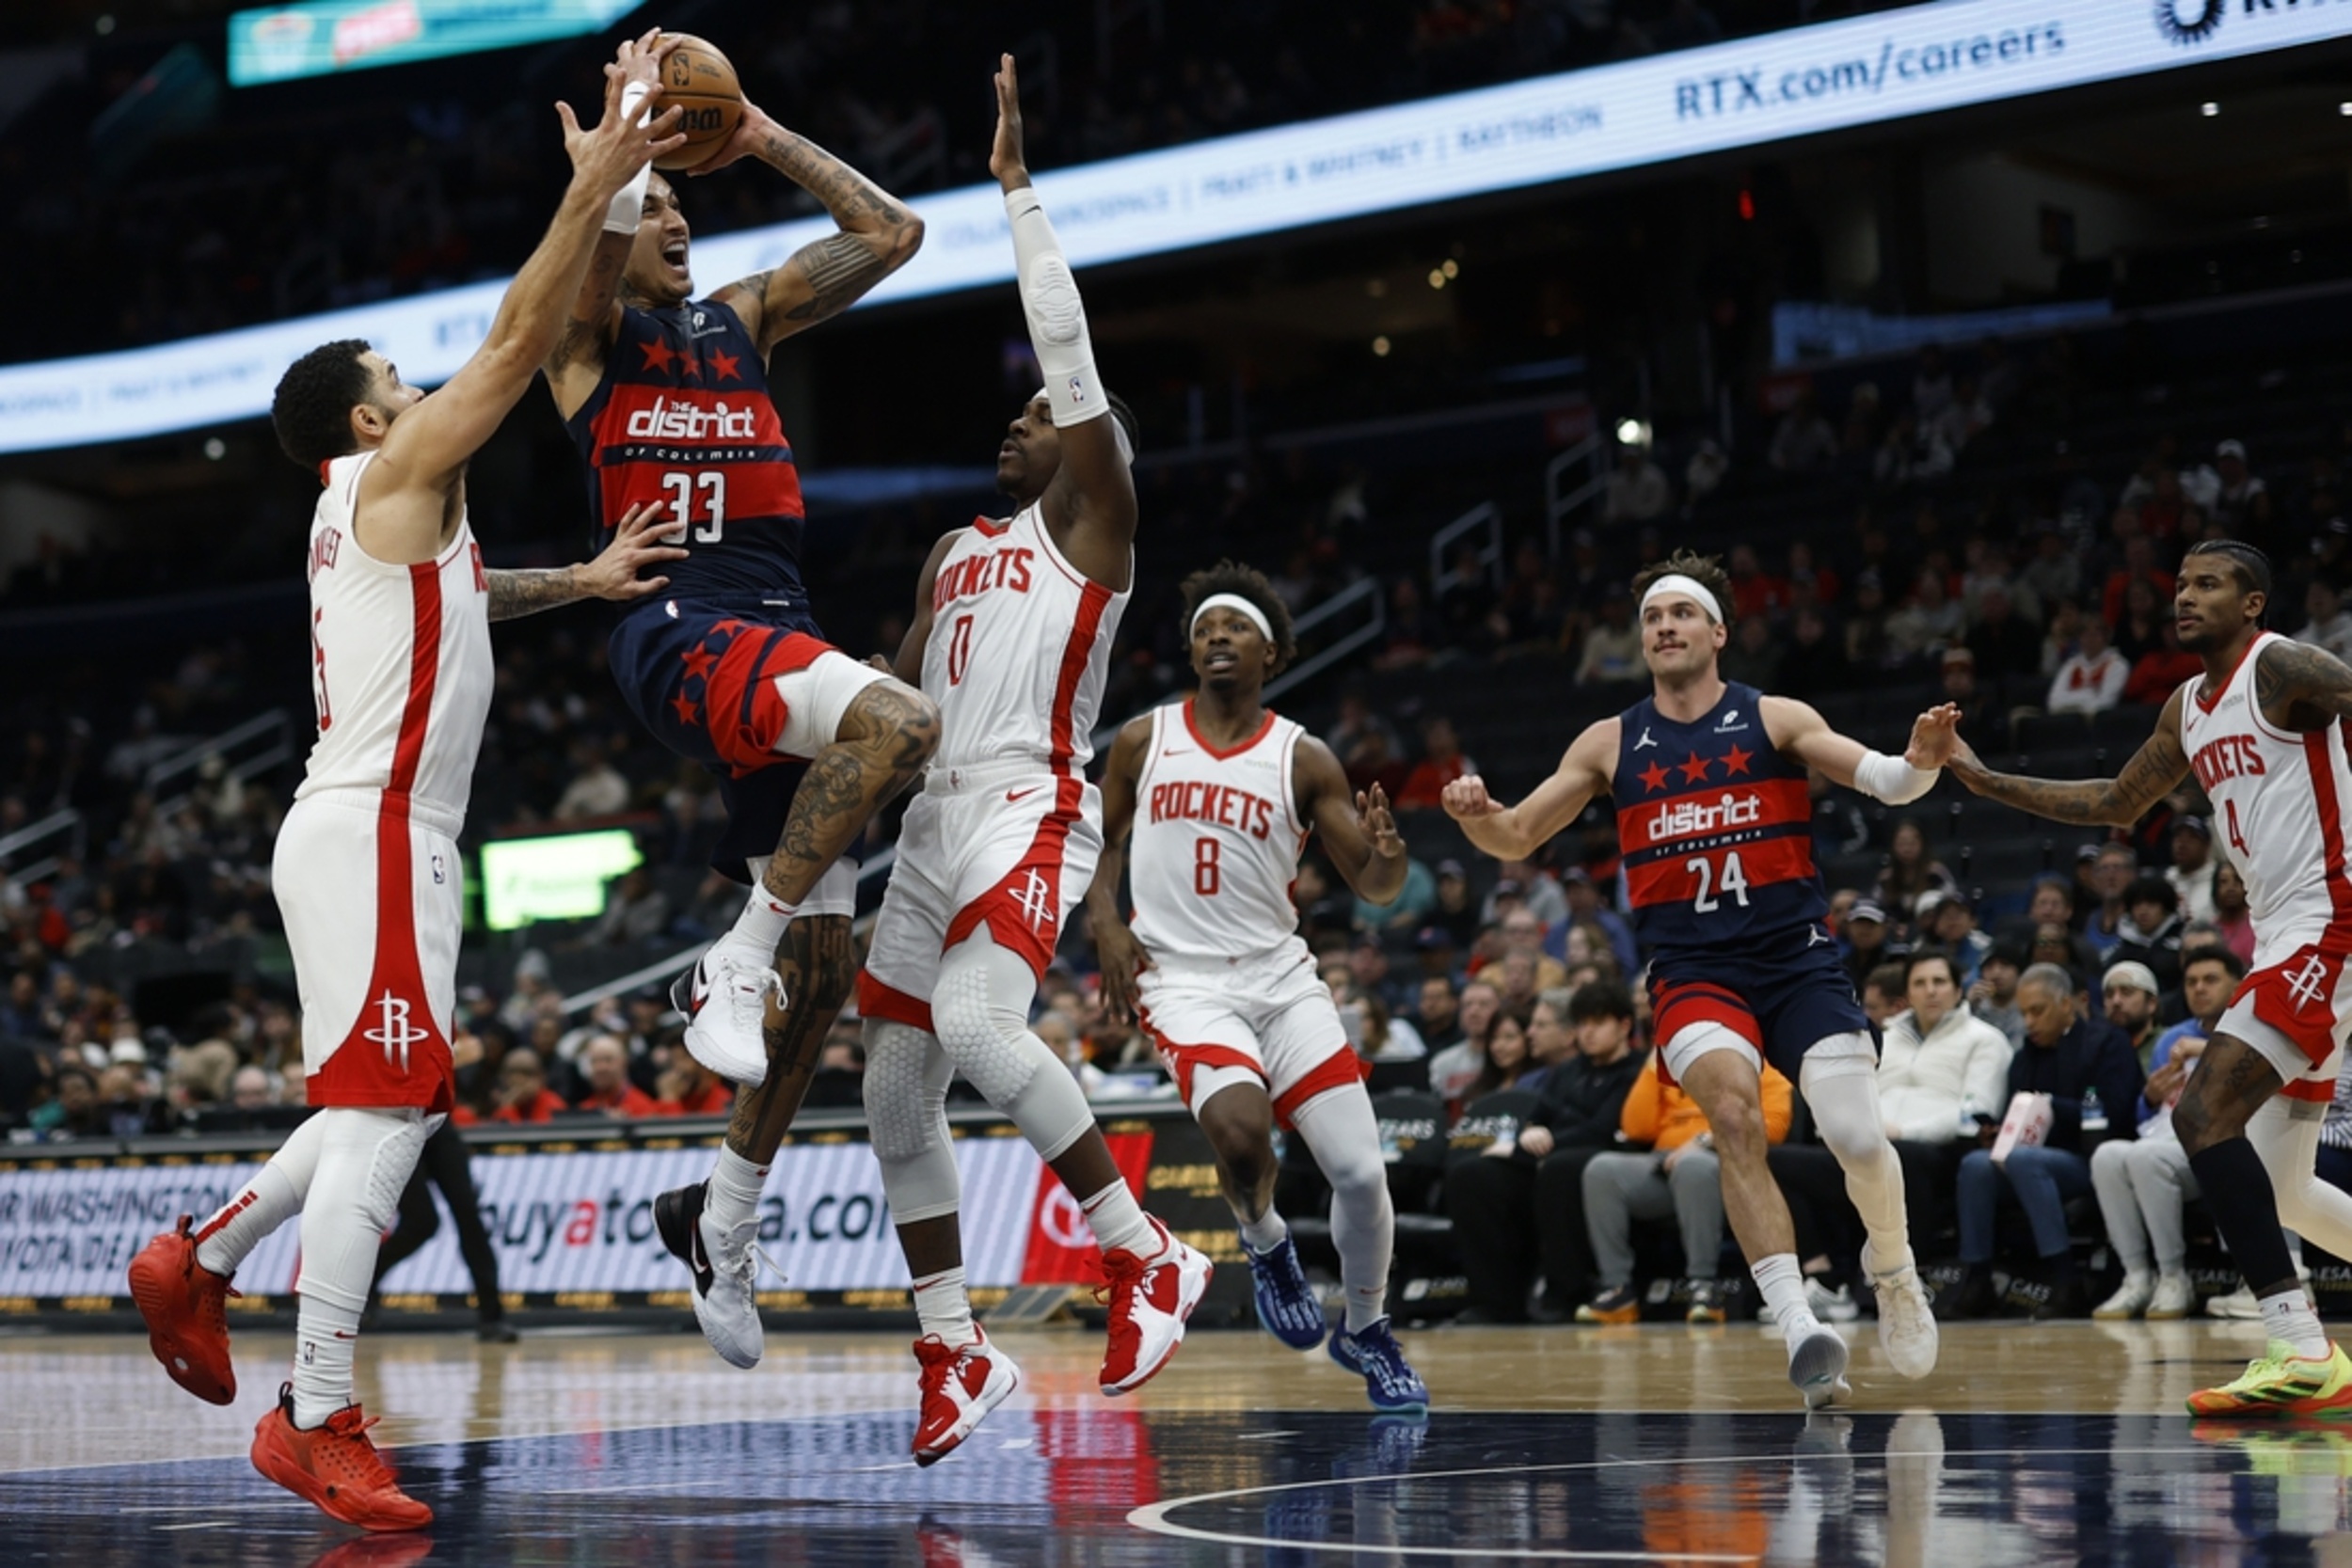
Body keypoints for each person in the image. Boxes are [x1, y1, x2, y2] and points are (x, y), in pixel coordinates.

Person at [124, 43, 687, 1531]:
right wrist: (596, 182)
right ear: (370, 425)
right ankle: (314, 1410)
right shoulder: (389, 476)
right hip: (377, 827)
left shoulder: (380, 515)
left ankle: (199, 1255)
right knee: (385, 1120)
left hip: (373, 827)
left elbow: (469, 595)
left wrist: (590, 577)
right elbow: (516, 338)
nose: (419, 382)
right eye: (396, 380)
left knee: (391, 1098)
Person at [538, 32, 938, 1374]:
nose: (681, 223)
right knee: (902, 721)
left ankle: (717, 1213)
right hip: (674, 627)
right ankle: (733, 951)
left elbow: (893, 231)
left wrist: (755, 127)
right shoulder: (588, 349)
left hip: (776, 639)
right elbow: (588, 254)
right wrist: (616, 160)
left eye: (686, 205)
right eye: (660, 210)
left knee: (828, 978)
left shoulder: (743, 318)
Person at [850, 58, 1209, 1466]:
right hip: (932, 818)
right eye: (1007, 421)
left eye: (1038, 417)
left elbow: (1068, 358)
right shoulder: (950, 553)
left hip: (1030, 798)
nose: (1018, 422)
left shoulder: (1095, 525)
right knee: (890, 1084)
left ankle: (1142, 1252)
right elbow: (889, 710)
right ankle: (952, 1343)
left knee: (984, 1030)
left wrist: (1015, 194)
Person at [1442, 548, 1942, 1408]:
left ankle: (1890, 1265)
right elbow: (1519, 835)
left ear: (1717, 631)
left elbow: (1889, 782)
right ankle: (1798, 1325)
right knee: (1735, 1120)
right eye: (1650, 618)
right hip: (1693, 971)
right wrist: (1478, 817)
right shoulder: (1609, 740)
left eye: (1679, 614)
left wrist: (1923, 756)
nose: (1663, 627)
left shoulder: (1775, 716)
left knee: (1858, 1140)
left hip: (1797, 960)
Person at [1922, 538, 2352, 1413]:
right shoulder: (2189, 708)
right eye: (2182, 583)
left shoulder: (2285, 669)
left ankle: (2301, 1348)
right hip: (2283, 936)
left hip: (2331, 920)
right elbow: (2115, 802)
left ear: (2255, 602)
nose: (2185, 596)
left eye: (2210, 584)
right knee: (2279, 1188)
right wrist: (1979, 775)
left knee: (2201, 1112)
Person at [1089, 562, 1426, 1414]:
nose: (1216, 640)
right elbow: (1092, 840)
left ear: (1269, 650)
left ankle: (1368, 1326)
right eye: (1204, 630)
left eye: (1233, 628)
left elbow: (1376, 888)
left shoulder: (1303, 755)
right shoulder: (1143, 737)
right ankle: (1266, 1240)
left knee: (1358, 1172)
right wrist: (1104, 923)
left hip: (1281, 979)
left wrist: (1388, 853)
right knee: (1243, 1140)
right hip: (1184, 982)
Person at [1943, 964, 2144, 1321]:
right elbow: (2015, 1115)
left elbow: (2116, 1113)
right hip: (2034, 1158)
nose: (2030, 1023)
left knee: (2023, 1160)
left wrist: (2052, 1106)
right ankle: (1978, 1280)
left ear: (2066, 1005)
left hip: (2091, 1159)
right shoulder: (2024, 1058)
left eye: (2038, 1011)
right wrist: (1996, 1130)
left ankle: (2066, 1281)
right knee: (1975, 1165)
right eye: (2024, 1013)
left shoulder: (2106, 1042)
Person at [1444, 983, 1645, 1323]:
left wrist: (1545, 1141)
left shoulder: (1637, 1071)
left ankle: (1564, 1295)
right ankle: (1495, 1301)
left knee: (1560, 1169)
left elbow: (1602, 1130)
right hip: (1546, 1158)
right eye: (1582, 1024)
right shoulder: (1568, 1071)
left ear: (1624, 1026)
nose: (1588, 1033)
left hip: (1601, 1163)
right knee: (1471, 1174)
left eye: (1598, 1023)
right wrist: (1532, 1131)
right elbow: (1539, 1116)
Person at [1579, 1046, 1794, 1324]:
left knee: (1693, 1167)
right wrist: (1652, 1065)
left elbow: (1774, 1127)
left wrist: (1707, 1140)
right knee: (1602, 1170)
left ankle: (1703, 1286)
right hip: (1665, 1162)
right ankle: (1618, 1289)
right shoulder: (1676, 1062)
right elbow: (1636, 1127)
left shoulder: (1760, 1063)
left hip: (1726, 1163)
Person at [2091, 947, 2246, 1321]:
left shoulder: (2250, 1029)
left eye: (2210, 980)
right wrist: (2150, 1096)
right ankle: (2138, 1276)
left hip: (2228, 1145)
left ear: (2237, 985)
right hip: (2173, 1139)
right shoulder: (2171, 1040)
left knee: (2146, 1157)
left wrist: (2206, 1052)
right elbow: (2152, 1114)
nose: (2199, 989)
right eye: (2191, 982)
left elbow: (2256, 1067)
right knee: (2108, 1155)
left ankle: (2175, 1276)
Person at [369, 1119, 515, 1344]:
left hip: (435, 1122)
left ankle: (492, 1317)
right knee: (421, 1222)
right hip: (395, 1128)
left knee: (469, 1215)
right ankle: (367, 1283)